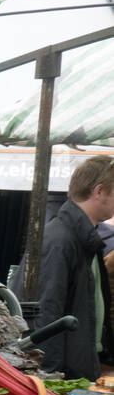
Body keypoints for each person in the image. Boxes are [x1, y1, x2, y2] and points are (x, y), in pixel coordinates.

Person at [35, 156, 114, 380]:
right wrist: (50, 381)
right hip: (64, 376)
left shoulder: (85, 238)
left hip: (80, 368)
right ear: (99, 191)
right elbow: (46, 314)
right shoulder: (61, 240)